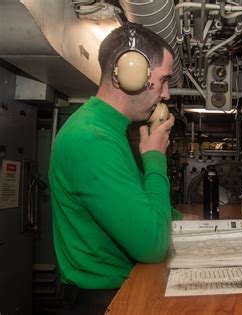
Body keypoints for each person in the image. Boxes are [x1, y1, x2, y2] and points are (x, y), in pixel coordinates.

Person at [49, 23, 182, 314]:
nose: (167, 94)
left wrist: (183, 219)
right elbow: (152, 246)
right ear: (132, 72)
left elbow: (135, 202)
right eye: (163, 80)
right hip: (103, 301)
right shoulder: (92, 141)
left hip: (116, 291)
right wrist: (155, 159)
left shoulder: (106, 130)